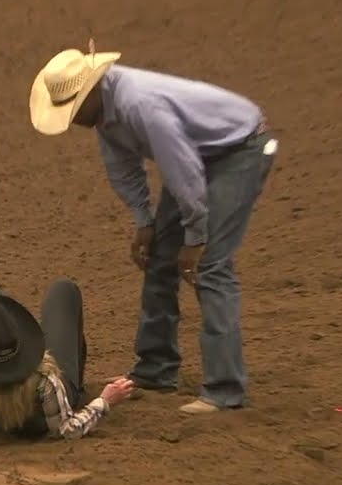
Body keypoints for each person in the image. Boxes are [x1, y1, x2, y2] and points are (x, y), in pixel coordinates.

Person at [28, 42, 278, 415]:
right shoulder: (106, 113)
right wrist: (145, 222)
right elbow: (124, 167)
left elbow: (183, 170)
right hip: (201, 152)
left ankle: (225, 389)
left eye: (75, 109)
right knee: (160, 256)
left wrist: (196, 237)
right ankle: (156, 369)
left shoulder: (140, 106)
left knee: (209, 265)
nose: (73, 119)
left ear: (93, 91)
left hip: (237, 151)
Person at [0, 280, 136, 439]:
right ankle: (78, 391)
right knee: (64, 290)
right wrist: (105, 400)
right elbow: (66, 429)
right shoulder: (43, 376)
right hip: (35, 423)